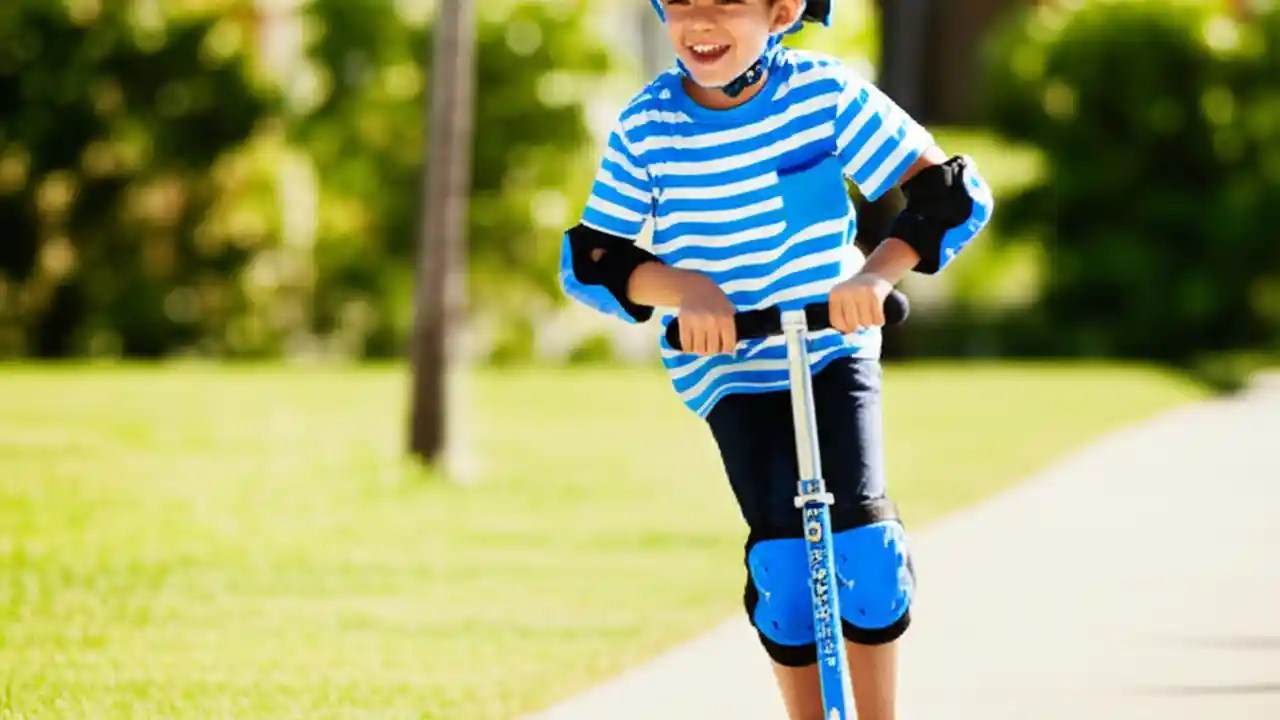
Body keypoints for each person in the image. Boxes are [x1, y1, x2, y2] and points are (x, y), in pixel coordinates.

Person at [558, 2, 993, 718]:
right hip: (728, 367)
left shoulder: (823, 94)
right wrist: (685, 290)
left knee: (866, 550)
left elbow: (949, 192)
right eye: (683, 2)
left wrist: (875, 276)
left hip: (832, 346)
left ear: (782, 10)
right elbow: (594, 259)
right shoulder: (650, 126)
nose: (700, 21)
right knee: (787, 572)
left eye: (725, 2)